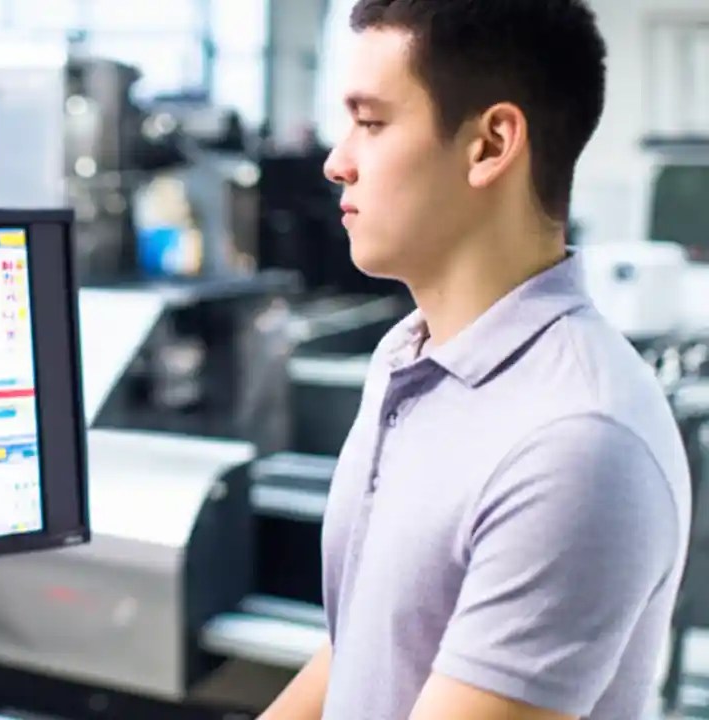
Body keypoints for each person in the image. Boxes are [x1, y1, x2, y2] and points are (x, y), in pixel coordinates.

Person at [259, 1, 692, 719]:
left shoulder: (576, 442)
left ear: (490, 144)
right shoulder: (409, 354)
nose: (337, 162)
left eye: (371, 123)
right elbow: (366, 642)